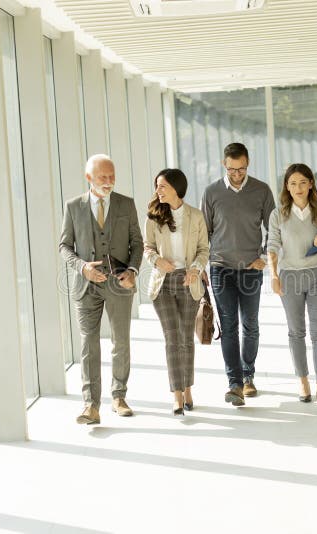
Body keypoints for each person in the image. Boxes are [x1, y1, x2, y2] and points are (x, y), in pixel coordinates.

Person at [59, 154, 143, 424]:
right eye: (102, 177)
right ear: (89, 178)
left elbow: (137, 243)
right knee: (88, 344)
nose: (109, 182)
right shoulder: (73, 207)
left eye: (112, 176)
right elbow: (64, 246)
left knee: (121, 341)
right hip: (86, 286)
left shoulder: (126, 204)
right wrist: (82, 267)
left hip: (119, 283)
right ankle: (90, 405)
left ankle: (118, 396)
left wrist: (132, 272)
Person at [201, 142, 276, 406]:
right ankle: (234, 383)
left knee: (250, 325)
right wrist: (202, 266)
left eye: (241, 169)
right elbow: (204, 234)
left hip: (250, 269)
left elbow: (274, 228)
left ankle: (248, 376)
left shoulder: (261, 191)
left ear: (248, 164)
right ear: (225, 164)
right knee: (229, 325)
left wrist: (264, 257)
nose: (237, 174)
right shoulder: (211, 193)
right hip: (221, 268)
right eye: (232, 169)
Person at [268, 164, 317, 410]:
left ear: (310, 184)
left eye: (302, 182)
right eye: (292, 183)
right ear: (287, 186)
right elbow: (272, 247)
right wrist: (274, 276)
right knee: (296, 332)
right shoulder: (278, 215)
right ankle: (303, 382)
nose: (298, 188)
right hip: (290, 277)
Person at [144, 169, 209, 415]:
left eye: (162, 186)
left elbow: (204, 249)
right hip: (163, 283)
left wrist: (195, 269)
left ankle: (188, 388)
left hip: (188, 282)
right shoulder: (153, 217)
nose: (158, 191)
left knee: (185, 338)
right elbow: (147, 247)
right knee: (172, 338)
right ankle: (177, 394)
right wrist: (157, 260)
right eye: (157, 186)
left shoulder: (196, 216)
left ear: (176, 188)